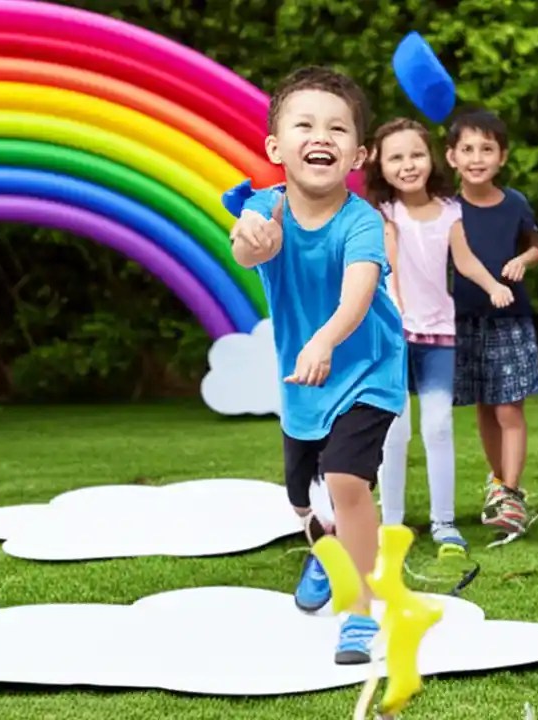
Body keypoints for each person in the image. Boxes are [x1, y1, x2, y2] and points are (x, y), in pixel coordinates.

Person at [227, 66, 406, 665]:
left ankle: (357, 614)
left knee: (349, 481)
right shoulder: (265, 208)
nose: (320, 135)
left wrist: (326, 339)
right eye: (304, 124)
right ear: (276, 147)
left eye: (337, 127)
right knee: (302, 497)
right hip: (303, 382)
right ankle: (324, 547)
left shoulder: (362, 221)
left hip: (368, 371)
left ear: (358, 152)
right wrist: (251, 241)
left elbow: (358, 292)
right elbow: (251, 244)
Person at [364, 117, 509, 551]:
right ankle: (392, 523)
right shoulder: (383, 214)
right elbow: (384, 264)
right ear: (380, 165)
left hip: (439, 336)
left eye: (415, 154)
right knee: (395, 430)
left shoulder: (451, 212)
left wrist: (493, 285)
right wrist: (395, 304)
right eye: (396, 157)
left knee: (440, 426)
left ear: (431, 158)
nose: (408, 165)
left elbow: (463, 262)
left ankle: (444, 522)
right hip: (393, 338)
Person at [443, 109, 538, 535]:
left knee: (509, 406)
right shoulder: (445, 210)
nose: (476, 157)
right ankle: (498, 482)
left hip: (510, 319)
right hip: (464, 320)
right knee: (485, 405)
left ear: (501, 157)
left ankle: (512, 492)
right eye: (467, 149)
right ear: (451, 157)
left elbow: (536, 244)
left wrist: (523, 260)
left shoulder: (515, 203)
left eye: (486, 149)